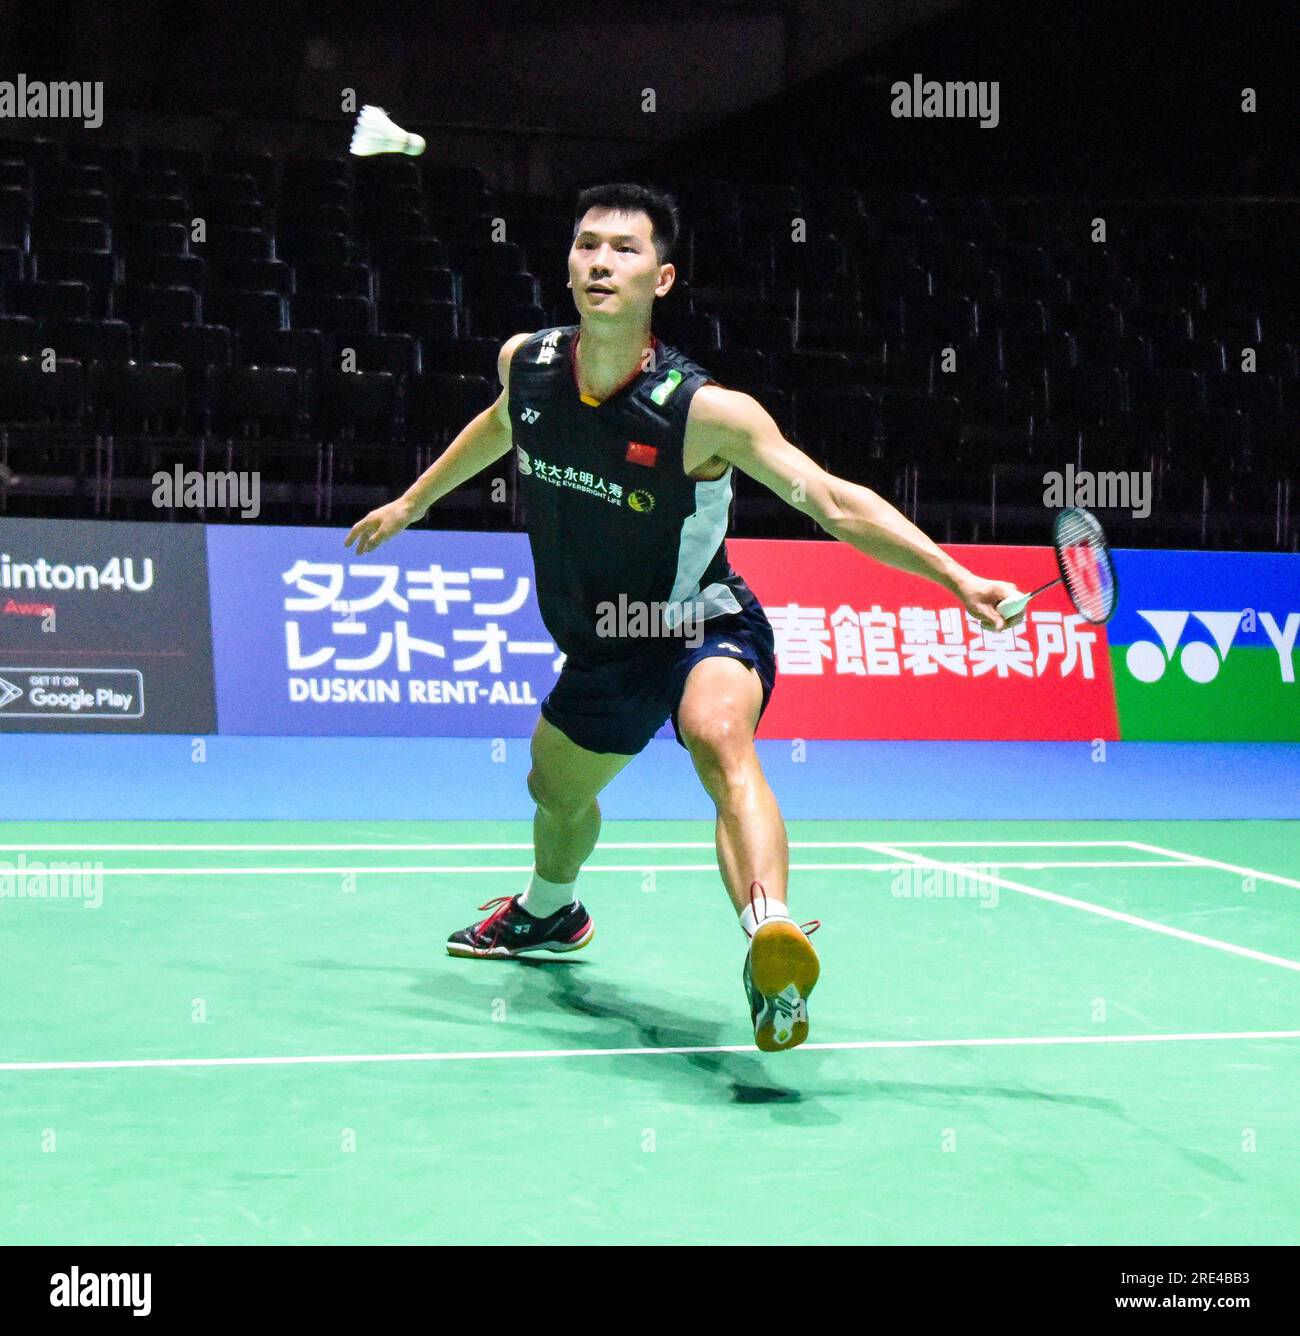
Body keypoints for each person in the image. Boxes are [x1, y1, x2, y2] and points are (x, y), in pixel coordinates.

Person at [345, 182, 1024, 1052]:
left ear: (661, 279)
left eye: (624, 250)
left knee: (716, 734)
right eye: (588, 244)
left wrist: (955, 576)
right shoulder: (531, 362)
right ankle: (552, 910)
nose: (600, 261)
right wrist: (412, 501)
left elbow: (831, 500)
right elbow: (500, 425)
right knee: (554, 794)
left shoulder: (704, 413)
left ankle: (771, 934)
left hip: (700, 622)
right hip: (602, 643)